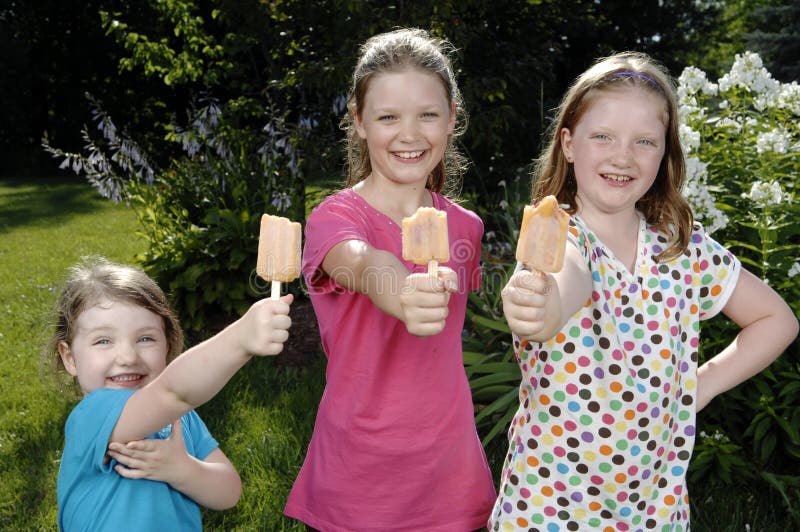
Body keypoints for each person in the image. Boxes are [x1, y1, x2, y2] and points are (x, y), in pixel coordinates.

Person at [490, 51, 799, 531]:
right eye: (603, 137)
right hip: (550, 507)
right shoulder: (565, 239)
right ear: (569, 145)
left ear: (665, 153)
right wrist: (539, 305)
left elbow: (777, 320)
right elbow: (562, 285)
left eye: (645, 141)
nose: (622, 156)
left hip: (654, 509)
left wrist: (702, 384)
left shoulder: (684, 249)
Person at [284, 28, 496, 530]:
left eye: (427, 114)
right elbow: (360, 263)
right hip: (359, 470)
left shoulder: (465, 227)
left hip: (450, 467)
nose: (409, 133)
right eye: (387, 117)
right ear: (359, 123)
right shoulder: (333, 219)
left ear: (451, 120)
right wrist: (400, 289)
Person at [45, 257, 293, 531]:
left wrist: (184, 470)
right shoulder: (90, 417)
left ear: (167, 345)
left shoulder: (181, 417)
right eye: (103, 341)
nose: (127, 356)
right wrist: (239, 340)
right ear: (69, 358)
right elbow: (172, 393)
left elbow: (229, 492)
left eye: (145, 338)